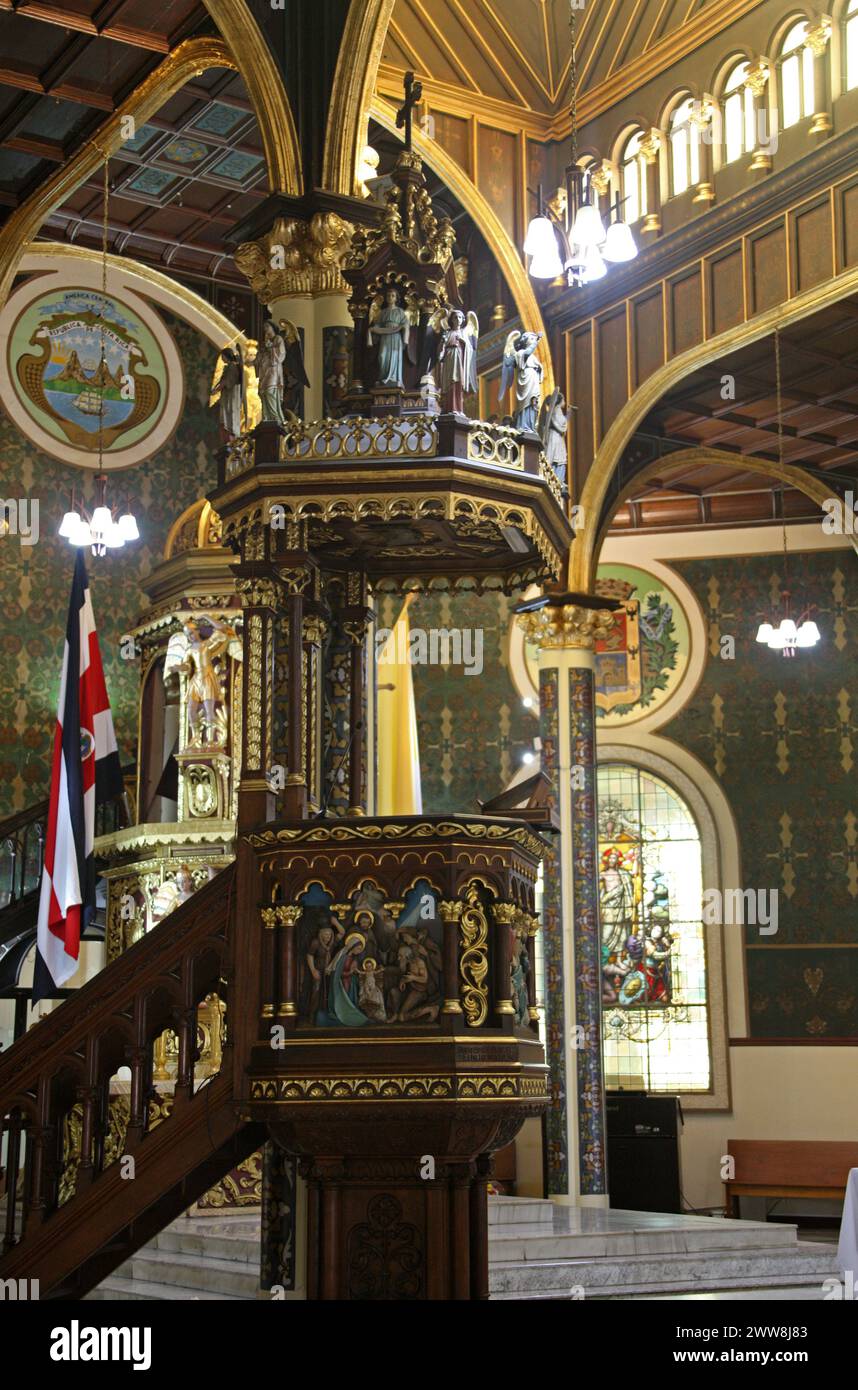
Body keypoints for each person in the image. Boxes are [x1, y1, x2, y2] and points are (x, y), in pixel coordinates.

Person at [370, 288, 410, 388]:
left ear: (396, 298)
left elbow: (405, 324)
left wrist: (405, 337)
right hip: (385, 336)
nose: (390, 297)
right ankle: (383, 377)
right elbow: (378, 324)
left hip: (396, 337)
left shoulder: (400, 311)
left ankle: (394, 378)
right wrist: (373, 329)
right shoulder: (383, 312)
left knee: (395, 356)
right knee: (382, 356)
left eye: (393, 295)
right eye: (388, 295)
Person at [256, 320, 287, 424]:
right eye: (264, 328)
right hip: (265, 370)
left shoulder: (278, 339)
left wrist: (270, 347)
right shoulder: (265, 342)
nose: (266, 329)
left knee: (270, 391)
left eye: (267, 327)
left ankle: (275, 417)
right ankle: (266, 416)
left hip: (274, 370)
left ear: (273, 327)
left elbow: (281, 354)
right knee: (263, 393)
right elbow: (259, 358)